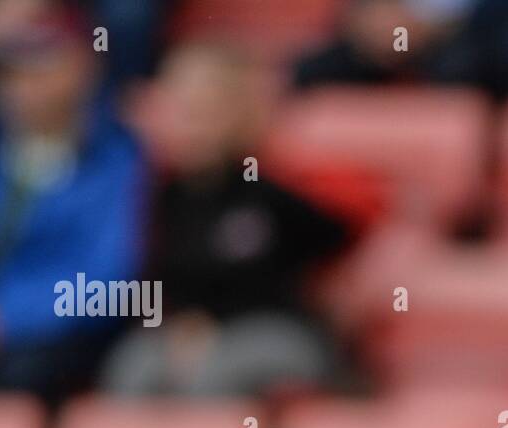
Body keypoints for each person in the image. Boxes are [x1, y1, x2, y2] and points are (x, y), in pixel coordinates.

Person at [0, 3, 147, 409]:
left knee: (25, 375)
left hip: (52, 335)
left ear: (82, 70)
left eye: (38, 68)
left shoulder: (117, 159)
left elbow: (107, 279)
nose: (20, 86)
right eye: (9, 72)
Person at [101, 42, 364, 399]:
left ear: (242, 111)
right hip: (178, 333)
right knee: (133, 367)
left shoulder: (275, 188)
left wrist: (212, 326)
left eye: (207, 110)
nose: (192, 125)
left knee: (212, 378)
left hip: (276, 331)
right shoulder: (155, 194)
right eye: (183, 110)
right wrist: (181, 323)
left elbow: (335, 240)